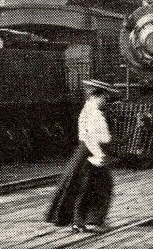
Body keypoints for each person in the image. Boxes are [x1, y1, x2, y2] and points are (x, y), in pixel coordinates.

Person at [45, 79, 118, 232]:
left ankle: (89, 220)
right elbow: (90, 138)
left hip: (87, 153)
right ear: (97, 96)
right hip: (90, 153)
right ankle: (84, 221)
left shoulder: (90, 109)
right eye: (104, 97)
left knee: (94, 186)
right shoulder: (93, 113)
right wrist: (99, 155)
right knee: (88, 187)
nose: (106, 101)